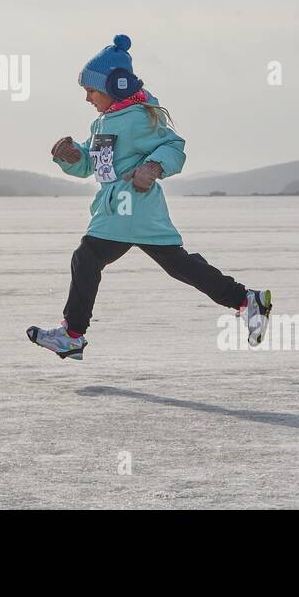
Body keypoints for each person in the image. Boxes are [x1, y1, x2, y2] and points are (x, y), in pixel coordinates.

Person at [27, 34, 272, 360]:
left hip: (132, 206)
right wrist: (71, 156)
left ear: (115, 86)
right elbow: (93, 165)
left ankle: (72, 335)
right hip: (124, 209)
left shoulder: (141, 117)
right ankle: (246, 300)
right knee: (179, 266)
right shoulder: (103, 121)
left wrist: (154, 167)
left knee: (87, 257)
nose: (87, 98)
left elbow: (174, 146)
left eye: (91, 91)